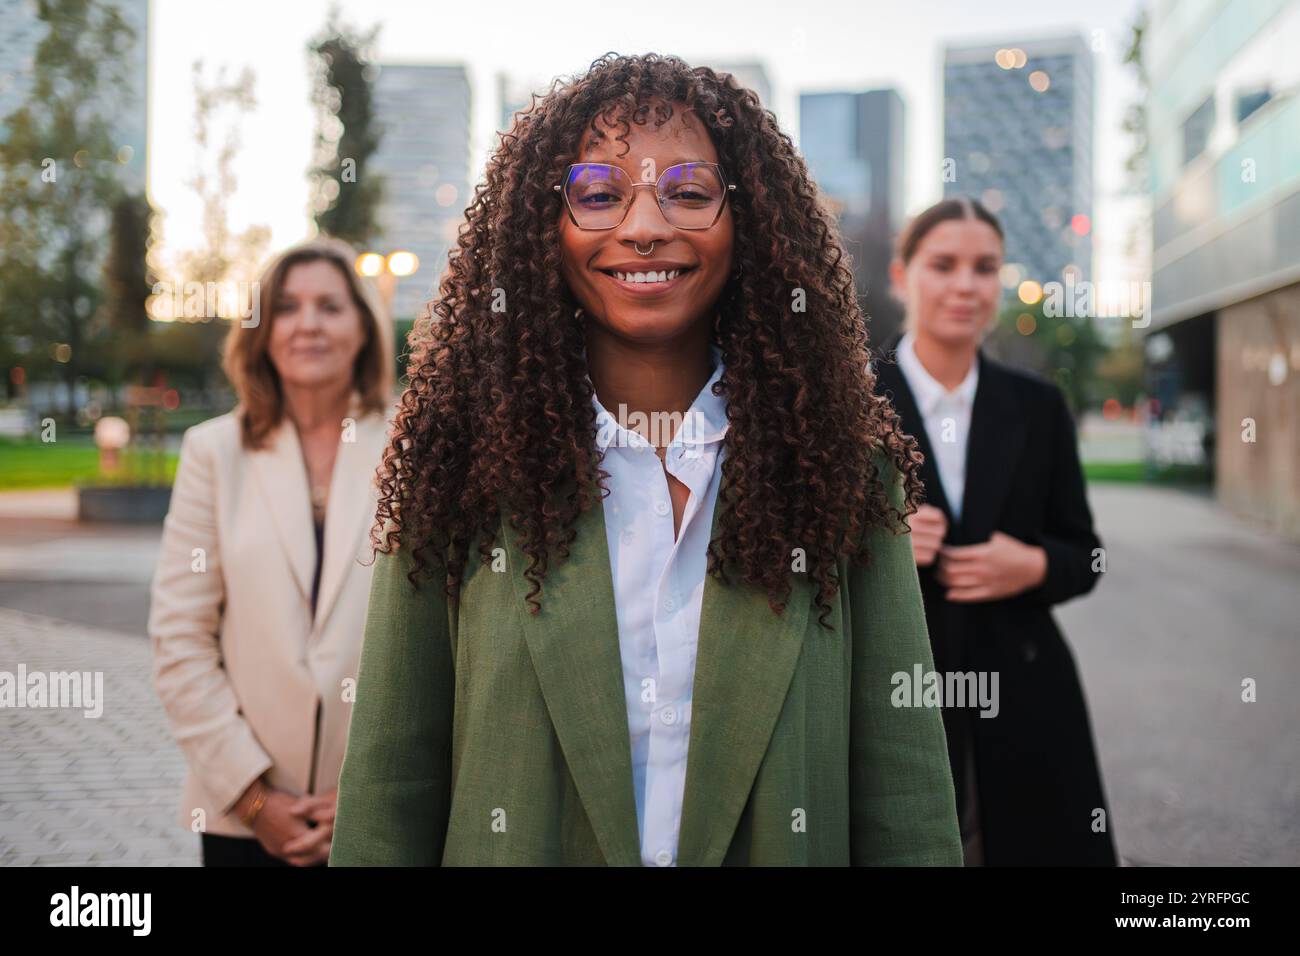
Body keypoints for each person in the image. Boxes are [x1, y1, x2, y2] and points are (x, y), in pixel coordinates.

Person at [329, 53, 961, 867]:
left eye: (689, 192)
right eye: (598, 194)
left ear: (750, 223)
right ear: (541, 228)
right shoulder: (459, 467)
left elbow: (904, 797)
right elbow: (388, 788)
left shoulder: (840, 467)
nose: (643, 225)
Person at [874, 196, 1118, 866]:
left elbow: (1086, 557)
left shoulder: (1038, 407)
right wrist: (876, 544)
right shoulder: (849, 398)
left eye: (985, 268)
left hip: (1026, 695)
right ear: (902, 276)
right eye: (943, 264)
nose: (964, 285)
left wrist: (1034, 566)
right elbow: (789, 553)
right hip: (894, 689)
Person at [149, 237, 395, 866]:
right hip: (245, 819)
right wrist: (254, 799)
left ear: (364, 328)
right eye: (285, 308)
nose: (306, 324)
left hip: (382, 814)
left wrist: (378, 789)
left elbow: (452, 638)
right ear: (260, 330)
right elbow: (181, 638)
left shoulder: (415, 445)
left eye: (330, 307)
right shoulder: (214, 453)